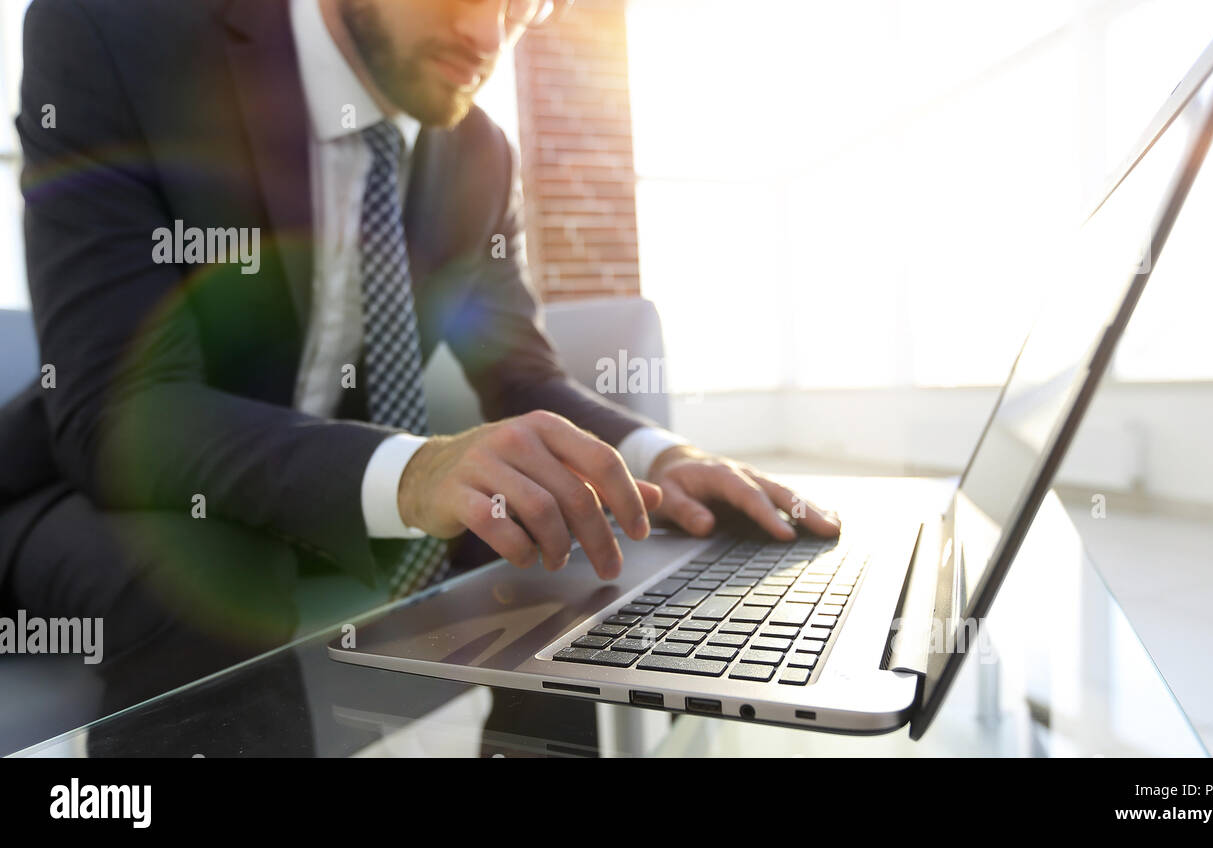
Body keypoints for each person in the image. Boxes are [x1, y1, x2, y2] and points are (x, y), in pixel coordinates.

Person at [0, 0, 840, 718]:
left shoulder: (478, 155)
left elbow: (524, 373)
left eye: (528, 5)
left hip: (321, 492)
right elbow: (122, 405)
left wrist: (661, 456)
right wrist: (418, 473)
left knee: (571, 527)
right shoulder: (113, 35)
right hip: (103, 487)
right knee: (209, 577)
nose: (490, 30)